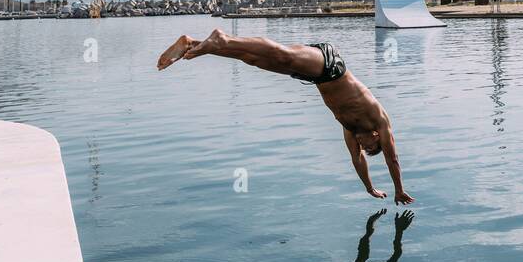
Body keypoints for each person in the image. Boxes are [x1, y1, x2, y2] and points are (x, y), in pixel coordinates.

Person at [157, 29, 413, 204]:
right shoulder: (381, 120)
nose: (364, 147)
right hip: (330, 65)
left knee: (256, 60)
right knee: (282, 54)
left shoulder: (350, 130)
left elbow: (356, 160)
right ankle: (220, 39)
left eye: (365, 148)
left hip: (316, 77)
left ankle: (197, 44)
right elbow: (393, 158)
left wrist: (369, 188)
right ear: (376, 136)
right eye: (370, 147)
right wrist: (399, 190)